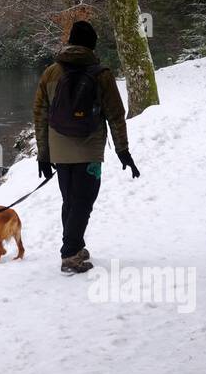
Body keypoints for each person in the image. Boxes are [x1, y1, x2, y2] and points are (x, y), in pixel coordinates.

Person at [33, 20, 139, 274]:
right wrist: (123, 151)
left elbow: (40, 113)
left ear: (70, 41)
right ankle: (70, 254)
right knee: (84, 200)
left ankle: (75, 245)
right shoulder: (101, 74)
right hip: (89, 148)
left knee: (70, 200)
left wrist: (43, 155)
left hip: (59, 148)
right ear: (92, 44)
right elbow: (115, 114)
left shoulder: (50, 72)